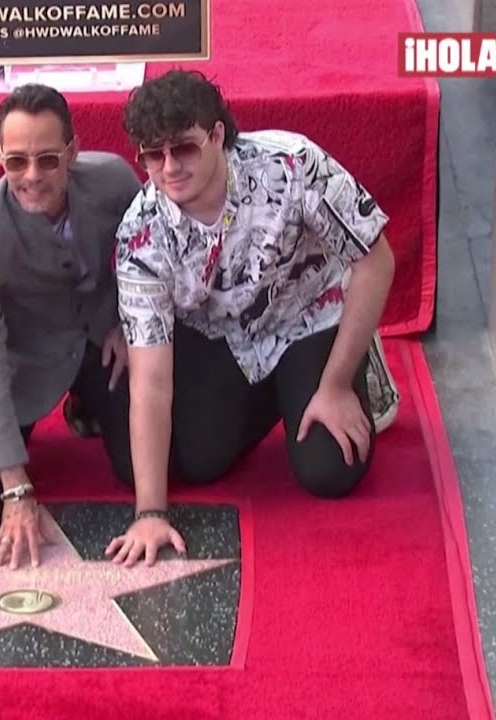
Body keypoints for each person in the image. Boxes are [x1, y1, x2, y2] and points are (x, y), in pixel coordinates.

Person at [108, 70, 402, 566]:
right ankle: (279, 399)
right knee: (197, 463)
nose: (169, 168)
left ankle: (355, 367)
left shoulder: (292, 163)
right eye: (152, 156)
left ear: (218, 134)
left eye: (183, 148)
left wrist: (332, 387)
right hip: (221, 338)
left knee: (329, 469)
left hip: (308, 317)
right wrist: (149, 512)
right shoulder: (140, 233)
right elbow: (151, 379)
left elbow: (376, 259)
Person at [0, 84, 142, 569]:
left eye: (48, 160)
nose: (32, 176)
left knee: (142, 466)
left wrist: (129, 320)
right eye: (16, 161)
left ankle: (90, 405)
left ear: (73, 151)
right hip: (31, 361)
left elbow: (148, 258)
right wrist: (15, 486)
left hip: (104, 342)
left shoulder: (116, 181)